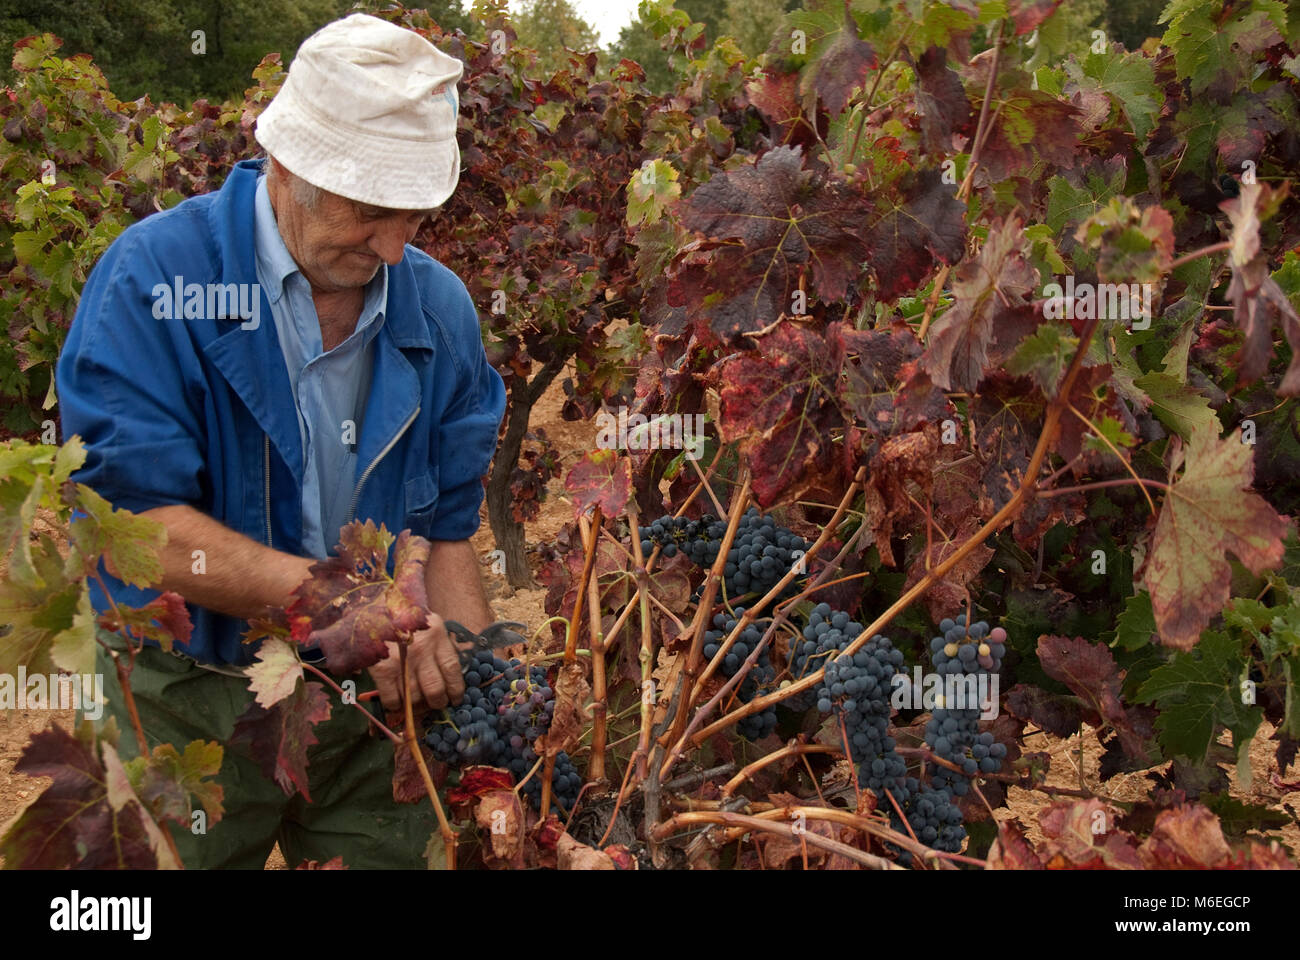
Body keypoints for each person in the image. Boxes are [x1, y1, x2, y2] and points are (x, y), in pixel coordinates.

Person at [55, 13, 506, 868]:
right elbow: (136, 526)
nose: (395, 244)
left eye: (414, 214)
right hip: (191, 699)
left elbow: (447, 528)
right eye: (372, 211)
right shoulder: (155, 282)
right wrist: (351, 609)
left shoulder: (438, 309)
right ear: (290, 165)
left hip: (374, 715)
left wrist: (485, 700)